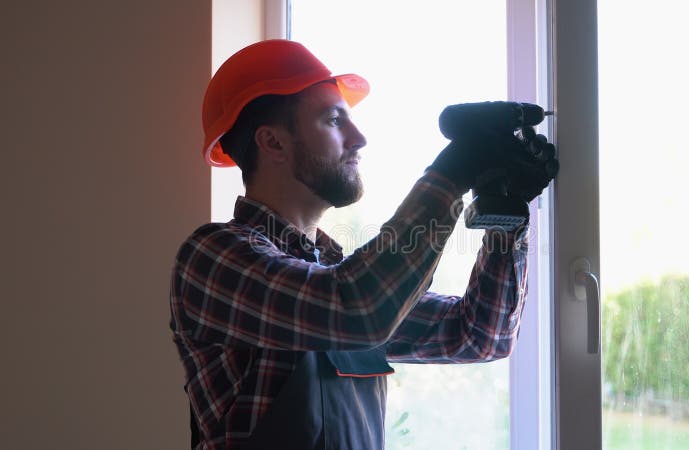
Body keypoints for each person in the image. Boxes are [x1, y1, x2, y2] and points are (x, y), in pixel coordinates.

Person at [169, 39, 558, 450]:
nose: (359, 138)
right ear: (273, 143)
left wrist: (505, 216)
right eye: (335, 121)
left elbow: (479, 335)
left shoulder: (333, 271)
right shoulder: (212, 259)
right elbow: (358, 307)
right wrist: (453, 170)